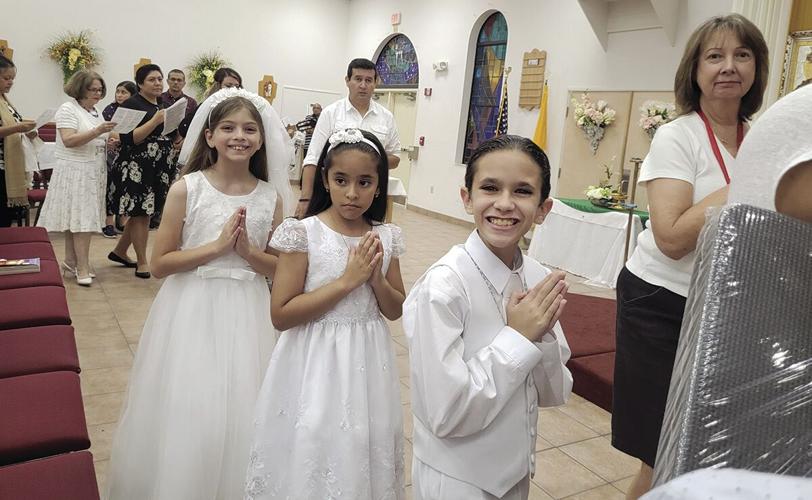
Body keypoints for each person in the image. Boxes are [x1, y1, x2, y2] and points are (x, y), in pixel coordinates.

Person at [106, 88, 294, 500]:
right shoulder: (187, 188)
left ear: (261, 139)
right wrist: (216, 248)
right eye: (227, 128)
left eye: (248, 129)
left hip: (249, 311)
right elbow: (160, 264)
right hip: (191, 308)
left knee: (246, 411)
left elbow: (281, 269)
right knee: (193, 409)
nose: (238, 136)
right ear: (208, 136)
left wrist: (248, 252)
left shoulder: (270, 196)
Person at [611, 14, 768, 499]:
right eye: (714, 55)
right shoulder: (678, 136)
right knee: (661, 450)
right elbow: (673, 237)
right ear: (694, 69)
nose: (729, 66)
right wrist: (746, 182)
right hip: (661, 303)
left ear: (758, 68)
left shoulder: (760, 137)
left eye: (742, 55)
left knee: (696, 445)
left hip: (723, 307)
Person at [403, 135, 572, 500]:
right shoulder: (443, 287)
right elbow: (445, 413)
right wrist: (518, 338)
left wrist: (542, 338)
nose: (505, 204)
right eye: (490, 188)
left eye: (523, 192)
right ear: (467, 198)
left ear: (543, 209)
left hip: (514, 470)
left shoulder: (537, 274)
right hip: (458, 479)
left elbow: (554, 392)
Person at [245, 128, 406, 499]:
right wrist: (346, 282)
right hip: (313, 359)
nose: (352, 193)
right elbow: (281, 314)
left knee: (362, 442)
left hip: (367, 361)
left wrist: (375, 281)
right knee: (315, 439)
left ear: (379, 185)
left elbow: (396, 309)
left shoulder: (387, 236)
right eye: (341, 180)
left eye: (365, 182)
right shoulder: (304, 234)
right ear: (325, 180)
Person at [37, 70, 117, 286]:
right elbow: (69, 140)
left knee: (80, 217)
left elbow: (95, 137)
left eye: (100, 90)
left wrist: (106, 141)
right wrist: (98, 131)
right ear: (80, 89)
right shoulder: (67, 109)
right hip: (75, 170)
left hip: (93, 170)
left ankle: (71, 261)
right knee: (81, 219)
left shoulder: (95, 111)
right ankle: (82, 265)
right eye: (93, 90)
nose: (98, 94)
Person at [296, 58, 401, 218]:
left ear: (376, 82)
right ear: (347, 80)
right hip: (332, 192)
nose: (363, 85)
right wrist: (305, 199)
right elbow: (312, 159)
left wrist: (368, 159)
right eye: (358, 79)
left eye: (368, 80)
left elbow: (395, 158)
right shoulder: (331, 113)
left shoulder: (386, 117)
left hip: (369, 196)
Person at [108, 64, 178, 279]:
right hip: (136, 165)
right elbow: (127, 137)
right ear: (140, 84)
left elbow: (171, 131)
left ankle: (120, 251)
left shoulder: (164, 104)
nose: (158, 83)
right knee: (140, 213)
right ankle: (142, 261)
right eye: (152, 80)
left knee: (145, 211)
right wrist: (155, 120)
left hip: (158, 164)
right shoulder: (132, 104)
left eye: (160, 79)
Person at [0, 54, 37, 227]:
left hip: (7, 166)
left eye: (12, 78)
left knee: (6, 218)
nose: (10, 82)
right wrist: (17, 128)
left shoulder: (4, 100)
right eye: (6, 78)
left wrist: (28, 130)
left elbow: (14, 123)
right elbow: (12, 127)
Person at [102, 80, 137, 237]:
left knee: (126, 187)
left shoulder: (135, 110)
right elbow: (104, 129)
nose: (120, 95)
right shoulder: (110, 109)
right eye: (118, 91)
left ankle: (122, 221)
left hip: (128, 152)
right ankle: (108, 222)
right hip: (111, 153)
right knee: (111, 187)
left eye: (124, 92)